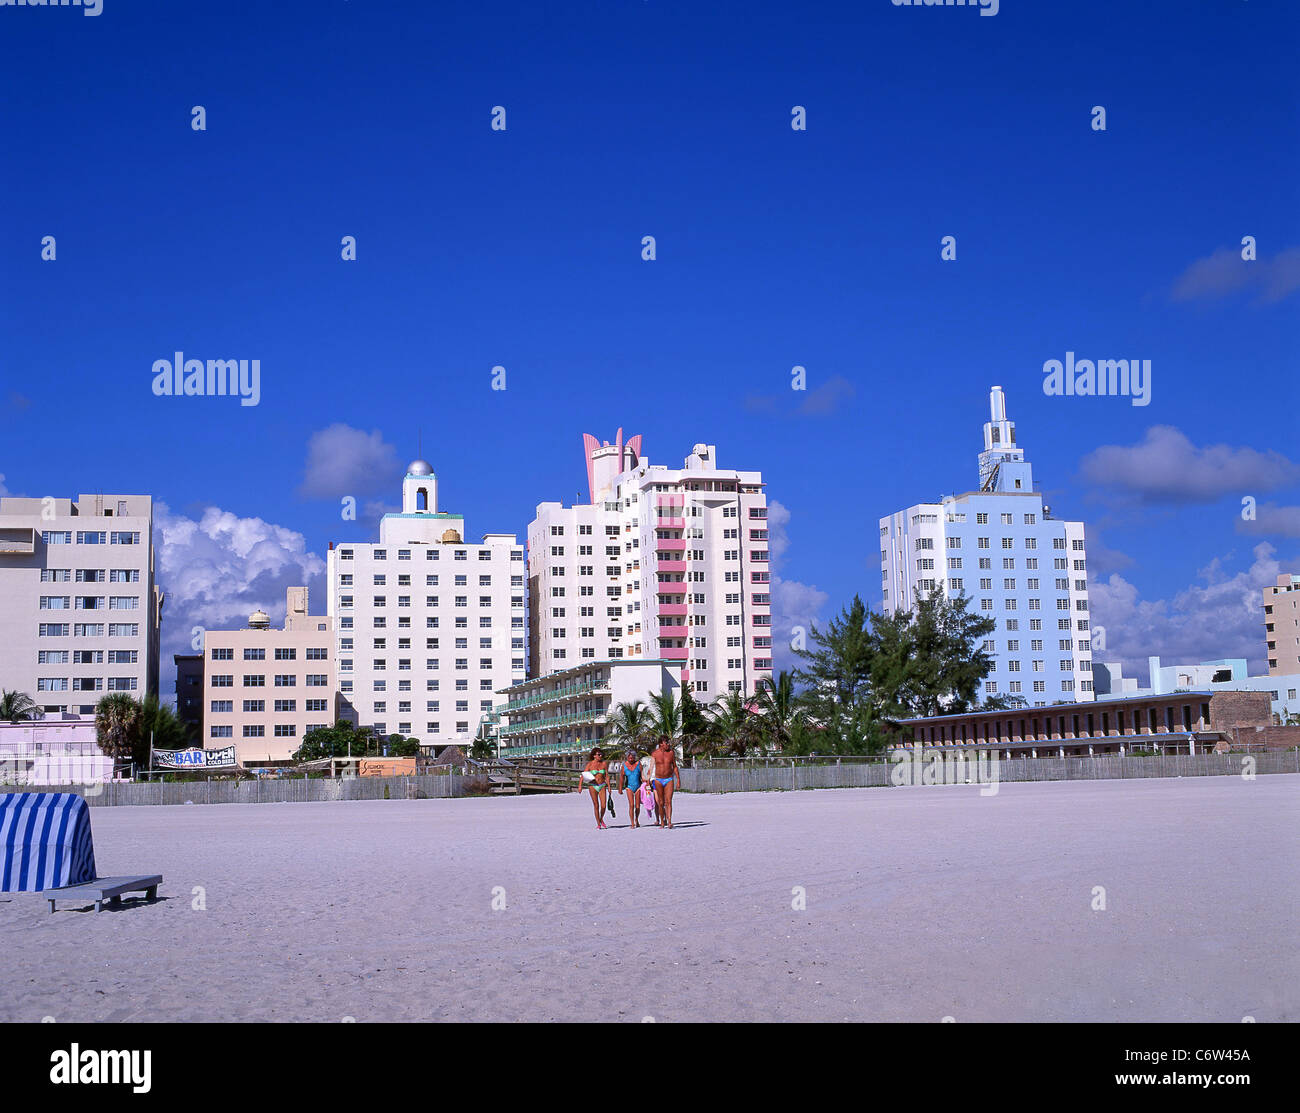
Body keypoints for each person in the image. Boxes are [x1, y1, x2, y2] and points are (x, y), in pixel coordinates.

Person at [650, 736, 681, 829]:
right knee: (660, 802)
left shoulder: (671, 753)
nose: (668, 744)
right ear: (661, 744)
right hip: (658, 779)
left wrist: (678, 779)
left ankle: (669, 821)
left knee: (668, 801)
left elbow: (674, 766)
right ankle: (662, 822)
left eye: (668, 742)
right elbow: (650, 768)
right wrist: (647, 781)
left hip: (669, 779)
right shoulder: (654, 754)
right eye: (666, 742)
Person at [580, 747, 609, 829]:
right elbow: (583, 775)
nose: (600, 755)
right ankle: (598, 824)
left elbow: (607, 776)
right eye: (598, 754)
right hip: (593, 786)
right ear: (594, 756)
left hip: (602, 785)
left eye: (601, 754)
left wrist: (609, 787)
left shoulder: (604, 764)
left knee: (603, 806)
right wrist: (580, 786)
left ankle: (601, 819)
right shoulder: (590, 764)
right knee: (596, 805)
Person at [616, 749, 644, 828]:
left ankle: (636, 819)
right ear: (627, 758)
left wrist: (647, 784)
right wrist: (620, 788)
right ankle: (632, 823)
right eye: (630, 758)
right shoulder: (624, 766)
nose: (631, 759)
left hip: (638, 787)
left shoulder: (638, 764)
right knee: (631, 805)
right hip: (629, 787)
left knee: (637, 806)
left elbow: (643, 775)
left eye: (633, 758)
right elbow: (621, 778)